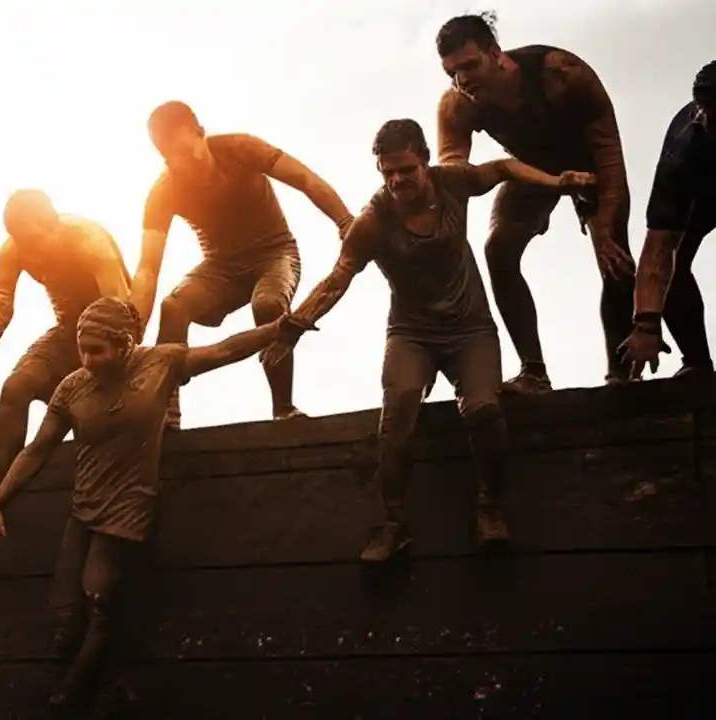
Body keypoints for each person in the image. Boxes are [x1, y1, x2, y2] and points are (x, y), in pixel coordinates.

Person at [272, 119, 597, 563]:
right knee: (398, 410)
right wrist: (295, 323)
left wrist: (557, 183)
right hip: (412, 333)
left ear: (425, 160)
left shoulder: (453, 183)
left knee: (484, 410)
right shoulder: (373, 220)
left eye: (406, 169)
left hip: (470, 329)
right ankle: (393, 522)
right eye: (388, 172)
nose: (397, 180)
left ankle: (490, 508)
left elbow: (502, 167)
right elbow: (338, 277)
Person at [0, 297, 300, 710]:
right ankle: (91, 676)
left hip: (129, 504)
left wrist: (277, 329)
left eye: (97, 350)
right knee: (65, 615)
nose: (87, 359)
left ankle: (72, 692)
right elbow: (38, 450)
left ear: (124, 345)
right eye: (81, 348)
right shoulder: (72, 387)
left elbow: (223, 350)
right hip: (83, 507)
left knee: (99, 596)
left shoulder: (159, 365)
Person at [436, 13, 635, 393]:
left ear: (495, 53)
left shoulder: (562, 75)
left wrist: (605, 223)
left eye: (470, 66)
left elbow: (608, 152)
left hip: (590, 165)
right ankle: (534, 372)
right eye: (452, 73)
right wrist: (445, 248)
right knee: (497, 250)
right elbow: (453, 181)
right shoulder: (458, 104)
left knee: (614, 257)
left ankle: (621, 377)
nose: (463, 80)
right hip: (531, 169)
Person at [131, 100, 355, 429]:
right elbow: (148, 270)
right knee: (173, 306)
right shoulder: (164, 192)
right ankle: (167, 416)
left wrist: (346, 223)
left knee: (267, 304)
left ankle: (283, 408)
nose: (185, 165)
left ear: (200, 133)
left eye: (186, 151)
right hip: (220, 268)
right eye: (172, 159)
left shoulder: (240, 148)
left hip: (275, 255)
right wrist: (130, 333)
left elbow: (305, 179)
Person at [0, 189, 131, 506]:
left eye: (34, 241)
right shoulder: (13, 250)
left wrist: (113, 368)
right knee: (16, 387)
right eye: (21, 241)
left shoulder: (87, 240)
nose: (29, 251)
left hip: (106, 340)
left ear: (53, 225)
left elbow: (123, 309)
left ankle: (103, 482)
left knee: (91, 416)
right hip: (67, 334)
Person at [619, 61, 716, 379]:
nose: (704, 118)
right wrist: (646, 323)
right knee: (673, 262)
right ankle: (698, 364)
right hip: (705, 186)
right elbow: (659, 247)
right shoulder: (686, 147)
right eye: (705, 112)